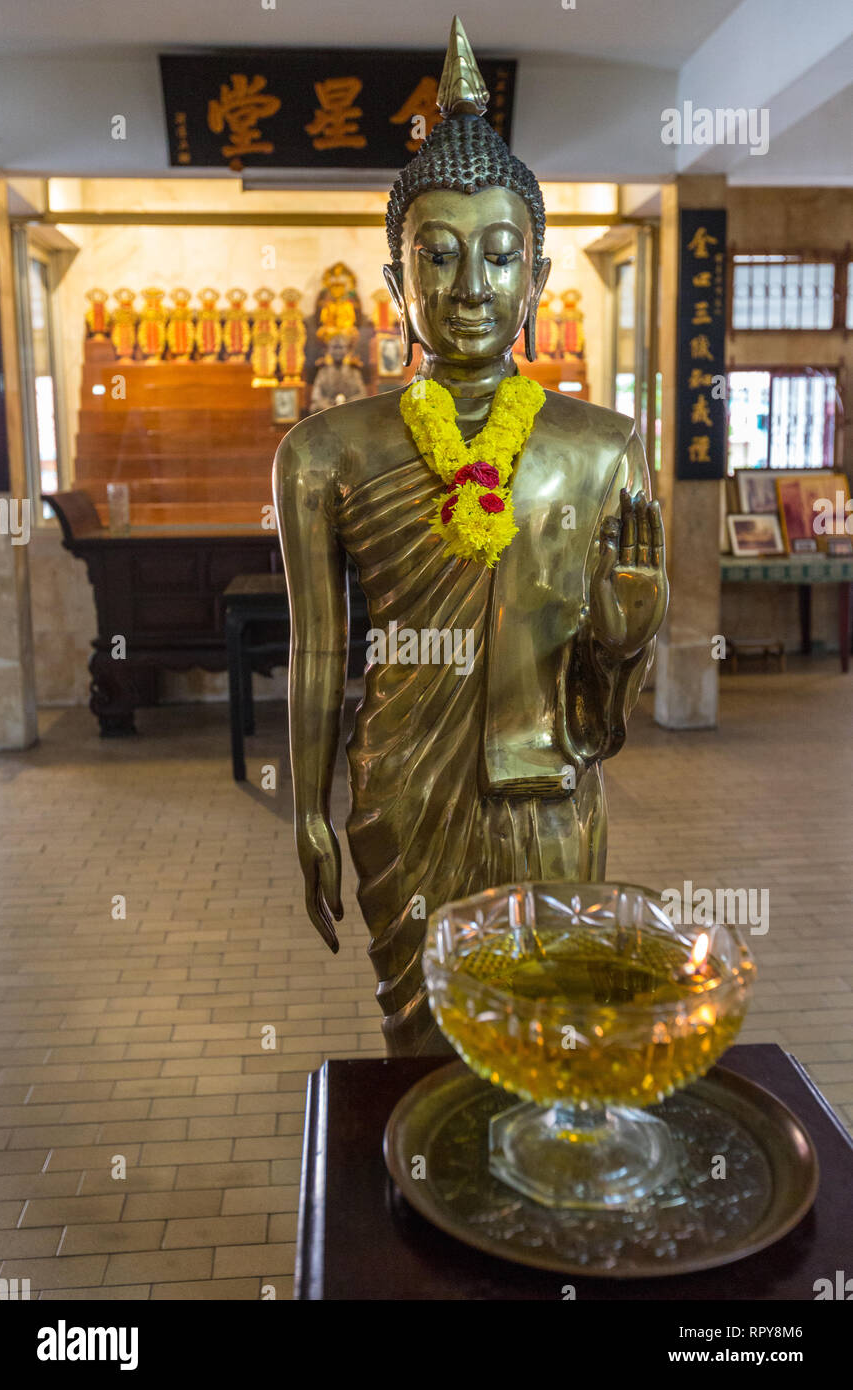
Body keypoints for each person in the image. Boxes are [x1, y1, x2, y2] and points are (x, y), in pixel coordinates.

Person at [274, 18, 668, 1055]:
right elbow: (317, 648)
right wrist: (308, 808)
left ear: (536, 276)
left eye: (498, 256)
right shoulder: (324, 453)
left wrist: (625, 636)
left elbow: (603, 683)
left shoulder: (599, 447)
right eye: (436, 258)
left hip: (546, 784)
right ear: (397, 282)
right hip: (405, 778)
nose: (468, 288)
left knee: (549, 1027)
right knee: (425, 1034)